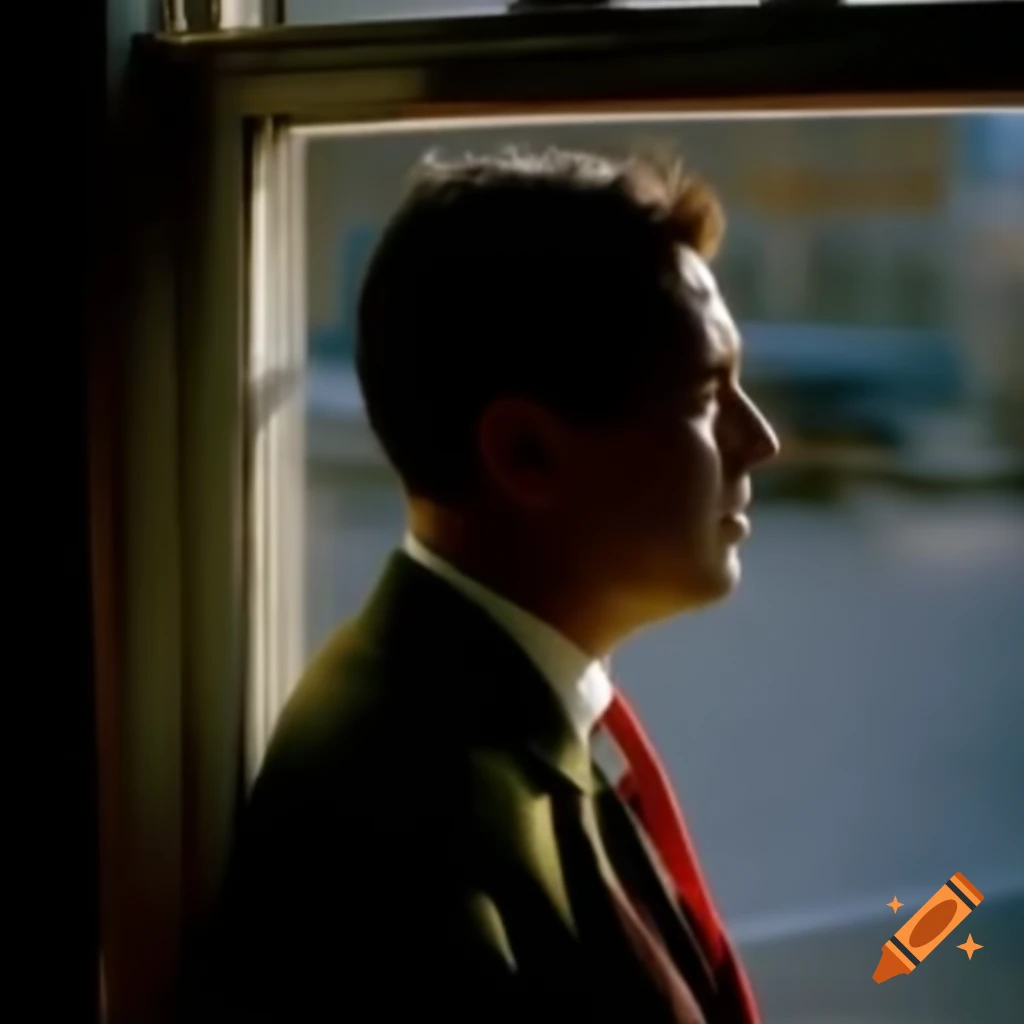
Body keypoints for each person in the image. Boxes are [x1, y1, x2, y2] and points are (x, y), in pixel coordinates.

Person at [183, 146, 779, 1022]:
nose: (758, 439)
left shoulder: (490, 717)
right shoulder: (404, 841)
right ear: (526, 453)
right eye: (705, 393)